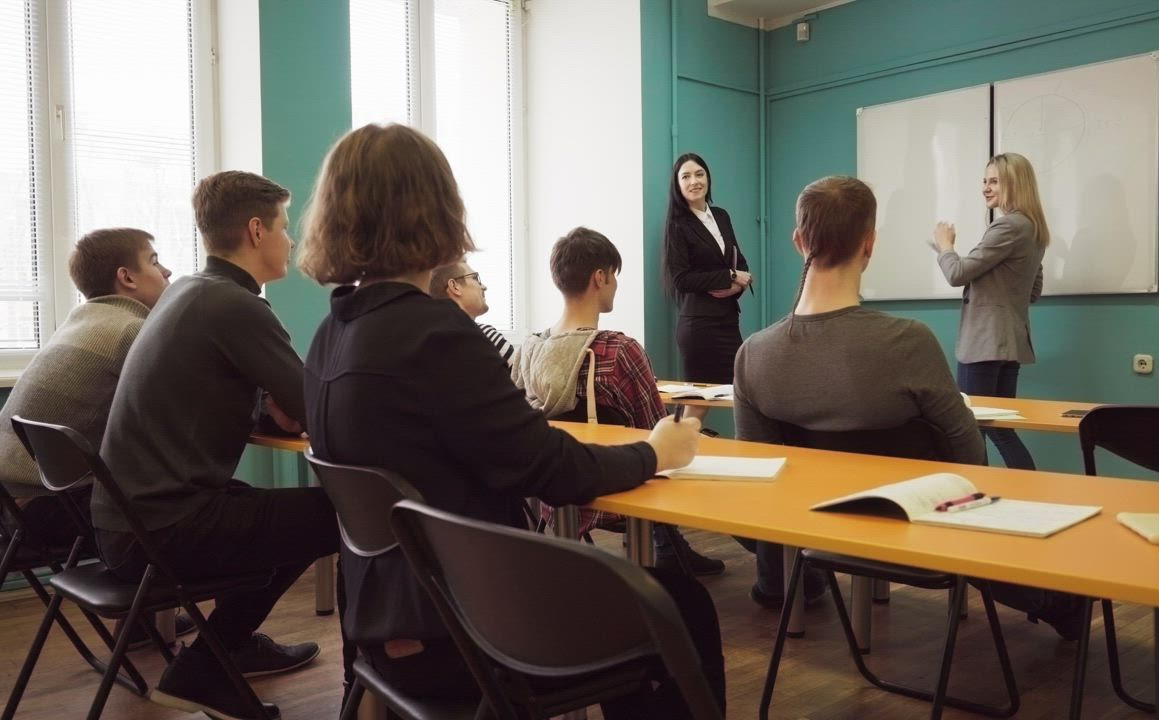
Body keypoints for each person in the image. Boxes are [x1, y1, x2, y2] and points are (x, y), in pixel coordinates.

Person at [299, 123, 725, 718]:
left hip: (385, 617)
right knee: (677, 606)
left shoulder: (329, 335)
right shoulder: (434, 335)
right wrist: (655, 453)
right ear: (438, 210)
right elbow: (549, 467)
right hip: (475, 623)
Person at [739, 175, 1082, 636]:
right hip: (910, 529)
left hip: (813, 527)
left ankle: (789, 583)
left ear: (799, 241)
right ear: (870, 244)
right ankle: (1054, 603)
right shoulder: (908, 341)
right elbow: (969, 459)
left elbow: (758, 477)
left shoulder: (753, 354)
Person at [94, 172, 339, 720]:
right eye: (283, 227)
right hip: (162, 530)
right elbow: (316, 405)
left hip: (125, 524)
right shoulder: (236, 304)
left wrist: (269, 403)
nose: (291, 241)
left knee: (279, 512)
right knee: (337, 511)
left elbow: (206, 385)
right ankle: (207, 665)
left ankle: (224, 651)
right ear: (256, 230)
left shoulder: (189, 292)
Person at [510, 226, 725, 576]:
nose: (615, 285)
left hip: (553, 496)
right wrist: (692, 419)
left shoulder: (531, 350)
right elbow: (655, 431)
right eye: (614, 277)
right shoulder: (618, 351)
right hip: (621, 491)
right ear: (600, 277)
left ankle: (672, 548)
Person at [0, 228, 170, 550]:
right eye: (154, 261)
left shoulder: (81, 321)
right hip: (49, 509)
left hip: (13, 507)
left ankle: (148, 597)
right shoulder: (130, 330)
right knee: (190, 510)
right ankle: (157, 596)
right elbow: (181, 404)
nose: (166, 272)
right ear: (127, 278)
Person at [933, 152, 1048, 470]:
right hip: (1010, 342)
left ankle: (979, 491)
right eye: (984, 181)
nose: (985, 187)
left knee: (971, 428)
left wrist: (945, 246)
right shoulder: (1033, 229)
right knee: (1000, 428)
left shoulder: (1008, 227)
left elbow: (957, 274)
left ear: (1015, 183)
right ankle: (1026, 490)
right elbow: (1033, 292)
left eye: (994, 181)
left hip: (984, 343)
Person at [662, 153, 751, 406]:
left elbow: (739, 260)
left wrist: (736, 286)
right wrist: (730, 276)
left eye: (699, 174)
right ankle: (682, 445)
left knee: (742, 395)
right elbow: (681, 279)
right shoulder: (677, 224)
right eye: (686, 176)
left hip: (728, 320)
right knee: (698, 404)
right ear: (678, 185)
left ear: (708, 178)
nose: (694, 181)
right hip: (699, 327)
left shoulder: (721, 215)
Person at [427, 258, 514, 367]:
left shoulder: (426, 342)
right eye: (475, 278)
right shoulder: (486, 336)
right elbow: (523, 380)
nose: (484, 287)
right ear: (455, 286)